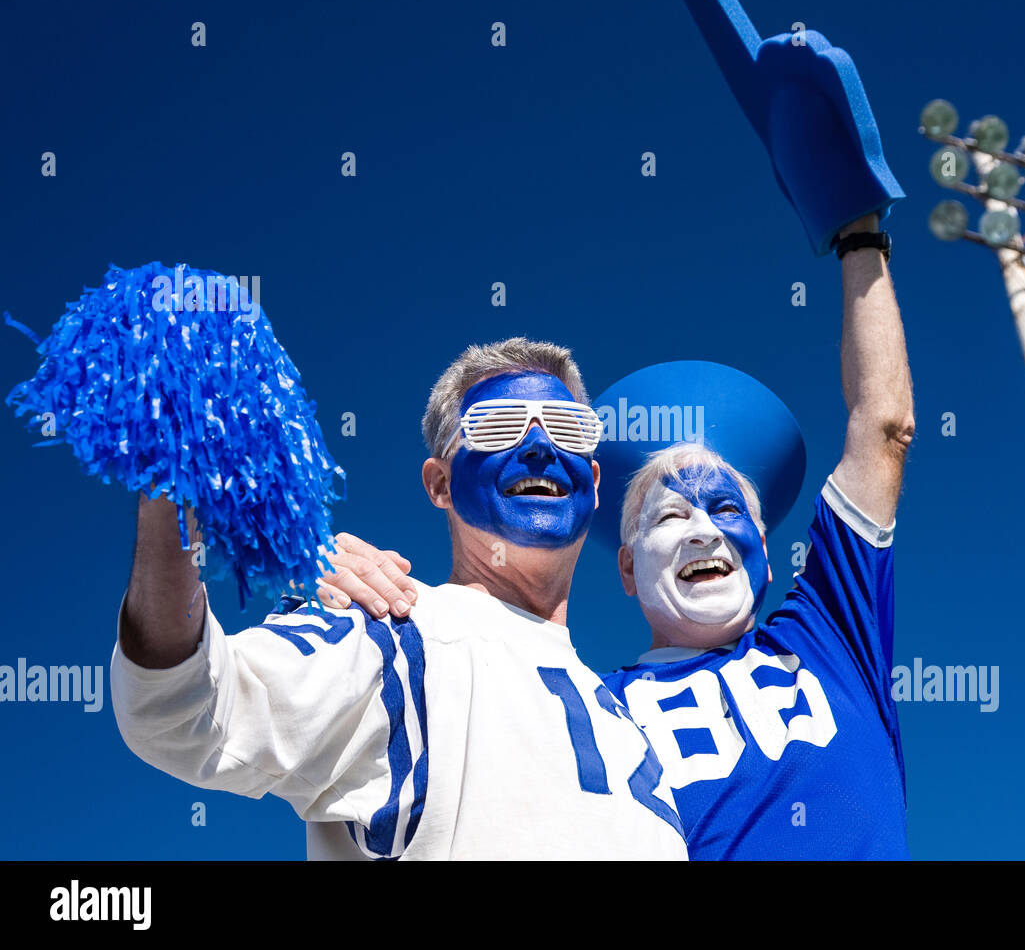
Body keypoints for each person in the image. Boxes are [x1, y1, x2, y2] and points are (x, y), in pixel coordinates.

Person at [324, 203, 913, 858]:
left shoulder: (833, 639)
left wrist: (859, 234)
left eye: (726, 510)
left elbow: (884, 428)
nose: (703, 532)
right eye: (669, 515)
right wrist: (367, 601)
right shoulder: (588, 707)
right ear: (628, 569)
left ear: (768, 557)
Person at [112, 338, 688, 860]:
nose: (539, 444)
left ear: (590, 481)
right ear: (441, 483)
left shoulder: (632, 724)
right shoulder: (396, 631)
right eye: (499, 425)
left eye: (565, 426)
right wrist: (174, 482)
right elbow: (183, 706)